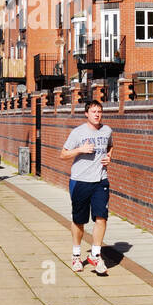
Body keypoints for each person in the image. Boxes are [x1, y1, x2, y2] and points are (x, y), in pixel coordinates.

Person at [61, 98, 112, 274]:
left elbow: (110, 146)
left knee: (101, 217)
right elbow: (63, 154)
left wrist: (109, 157)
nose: (97, 115)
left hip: (100, 181)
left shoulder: (107, 131)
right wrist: (80, 150)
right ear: (86, 114)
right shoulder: (78, 133)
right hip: (80, 181)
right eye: (93, 112)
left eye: (99, 112)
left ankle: (95, 255)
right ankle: (76, 256)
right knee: (79, 220)